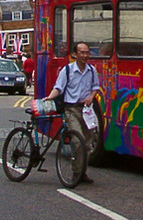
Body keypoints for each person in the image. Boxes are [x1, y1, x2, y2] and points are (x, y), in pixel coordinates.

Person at [42, 41, 100, 184]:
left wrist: (91, 97)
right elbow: (59, 87)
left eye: (87, 52)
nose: (85, 55)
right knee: (77, 140)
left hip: (86, 111)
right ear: (75, 54)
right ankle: (76, 172)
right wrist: (50, 97)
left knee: (88, 144)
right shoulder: (67, 70)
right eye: (82, 52)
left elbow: (95, 87)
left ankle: (82, 172)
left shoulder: (91, 70)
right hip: (71, 109)